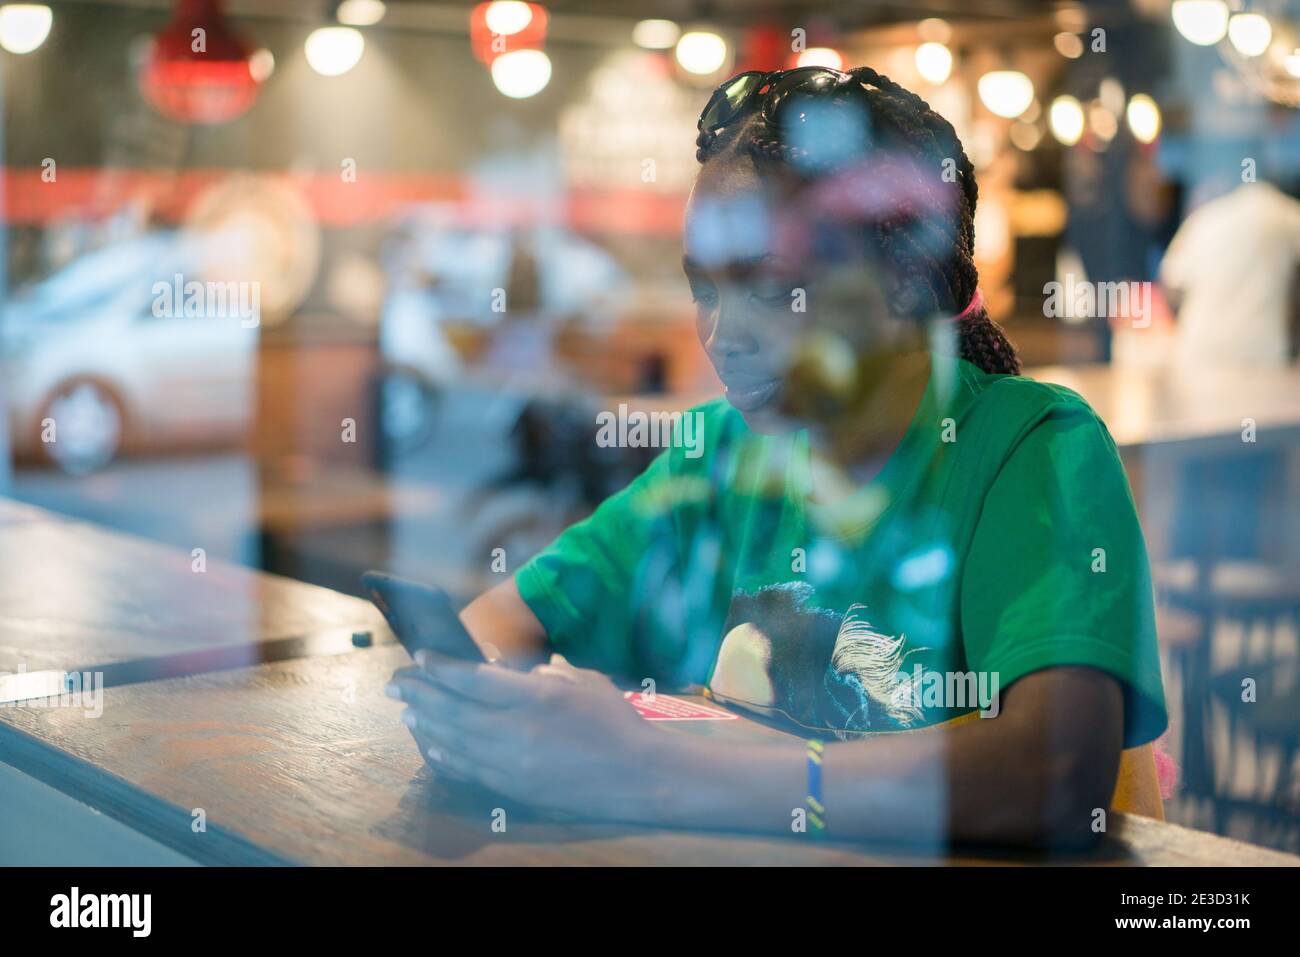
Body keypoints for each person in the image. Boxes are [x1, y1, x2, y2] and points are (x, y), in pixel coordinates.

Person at [387, 66, 1168, 848]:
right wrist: (483, 716)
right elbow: (501, 623)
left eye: (769, 288)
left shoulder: (1033, 448)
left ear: (898, 281)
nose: (724, 334)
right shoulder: (717, 451)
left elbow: (1053, 772)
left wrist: (652, 771)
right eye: (705, 288)